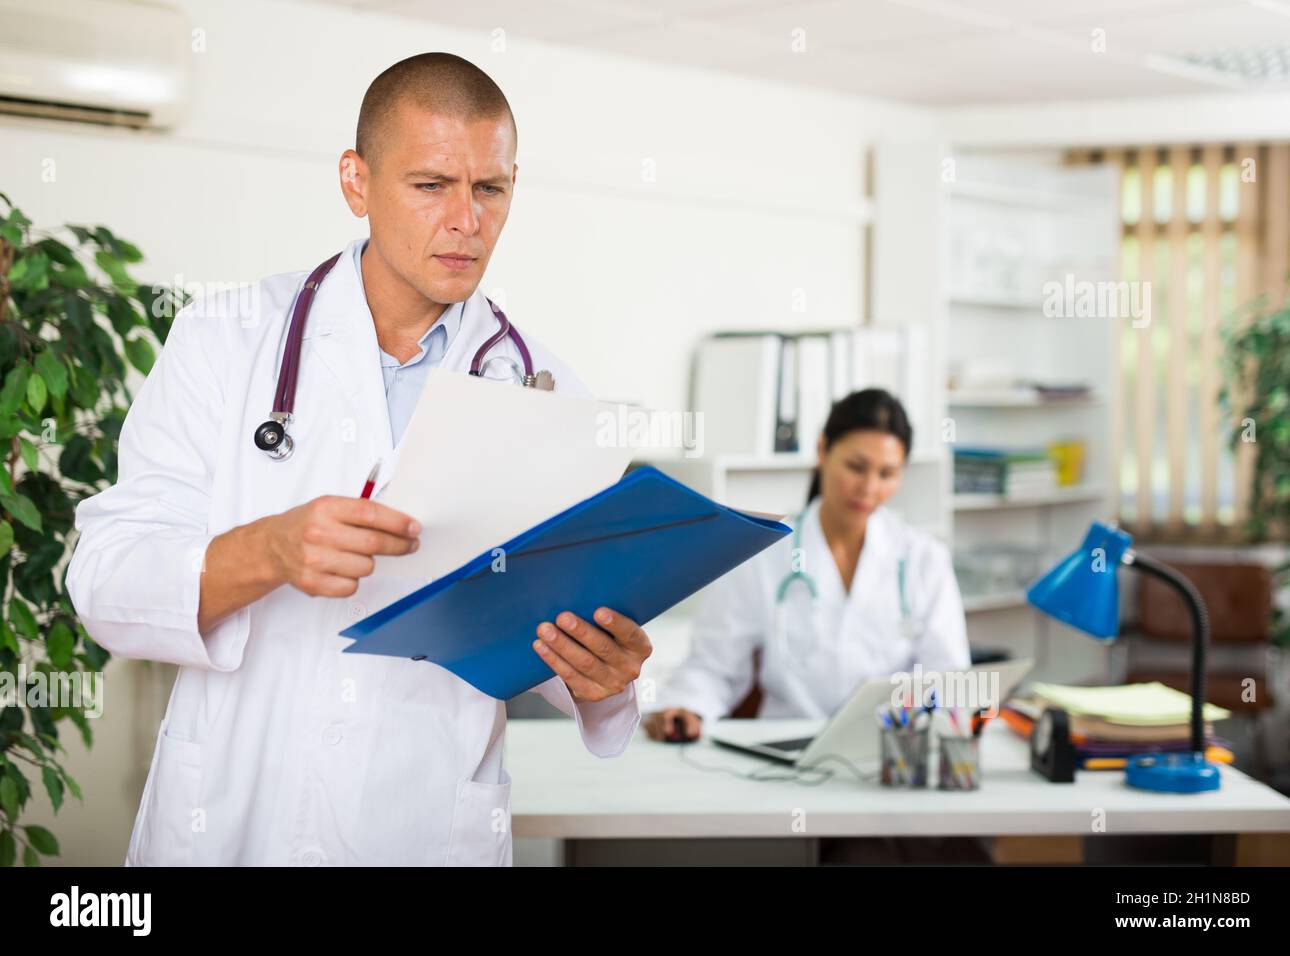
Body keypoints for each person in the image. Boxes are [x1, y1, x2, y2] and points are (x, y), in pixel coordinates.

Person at [66, 52, 650, 866]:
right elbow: (105, 582)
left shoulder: (545, 392)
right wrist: (265, 550)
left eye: (490, 189)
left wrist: (603, 678)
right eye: (430, 184)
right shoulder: (225, 338)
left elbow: (553, 638)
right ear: (356, 180)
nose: (466, 220)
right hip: (233, 820)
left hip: (421, 823)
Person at [645, 388, 969, 741]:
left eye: (887, 473)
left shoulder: (924, 558)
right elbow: (713, 666)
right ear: (822, 451)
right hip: (786, 750)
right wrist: (686, 707)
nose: (868, 487)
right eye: (856, 467)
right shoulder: (762, 552)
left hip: (888, 750)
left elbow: (948, 678)